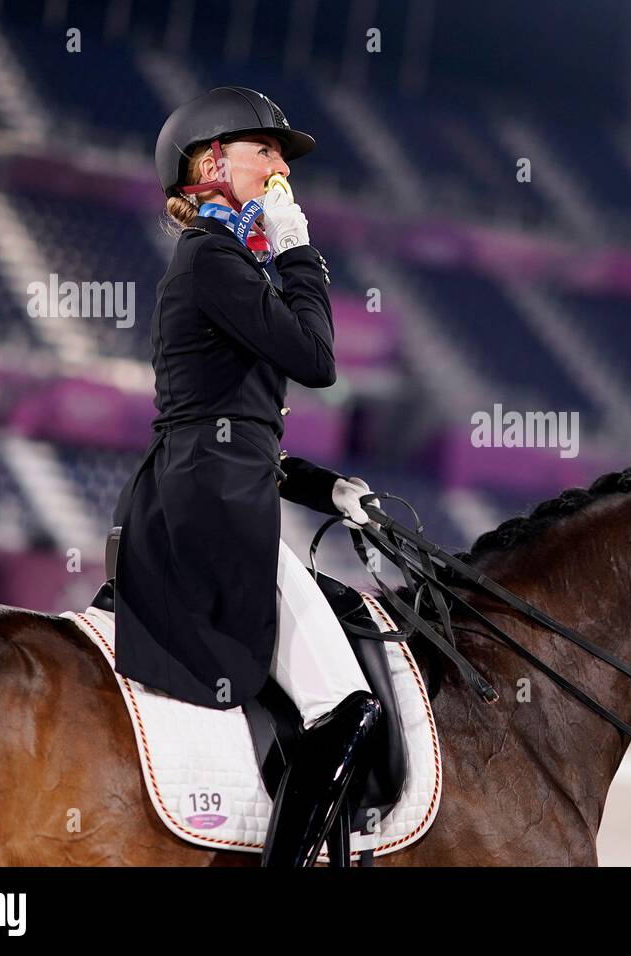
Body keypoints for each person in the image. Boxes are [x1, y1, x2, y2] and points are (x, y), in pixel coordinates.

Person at [112, 86, 381, 866]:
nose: (278, 168)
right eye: (265, 149)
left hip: (211, 487)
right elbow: (318, 361)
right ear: (210, 160)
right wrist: (300, 253)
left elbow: (226, 419)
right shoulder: (215, 257)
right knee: (345, 708)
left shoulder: (221, 263)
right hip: (212, 510)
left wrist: (324, 487)